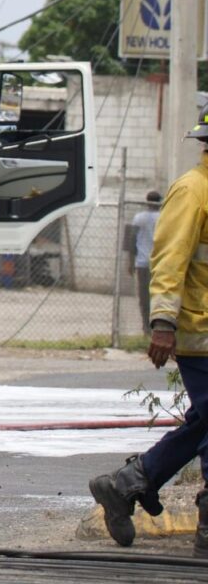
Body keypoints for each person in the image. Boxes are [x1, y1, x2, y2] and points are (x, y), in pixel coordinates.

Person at [90, 120, 208, 555]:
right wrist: (163, 322)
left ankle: (125, 485)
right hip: (201, 333)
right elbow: (169, 260)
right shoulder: (193, 190)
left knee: (203, 422)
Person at [135, 191, 164, 335]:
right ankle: (155, 326)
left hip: (142, 263)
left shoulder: (139, 218)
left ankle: (146, 326)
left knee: (144, 296)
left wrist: (129, 261)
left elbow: (130, 240)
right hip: (159, 263)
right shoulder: (163, 218)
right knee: (158, 296)